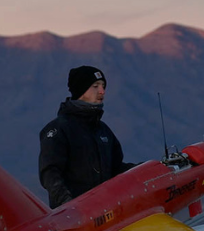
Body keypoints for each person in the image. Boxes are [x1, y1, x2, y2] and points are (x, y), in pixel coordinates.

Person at [39, 66, 134, 208]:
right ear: (80, 90)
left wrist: (151, 169)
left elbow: (116, 169)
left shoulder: (103, 131)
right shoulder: (58, 130)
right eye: (95, 86)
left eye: (103, 86)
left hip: (108, 214)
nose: (102, 91)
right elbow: (50, 173)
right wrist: (69, 207)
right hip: (74, 221)